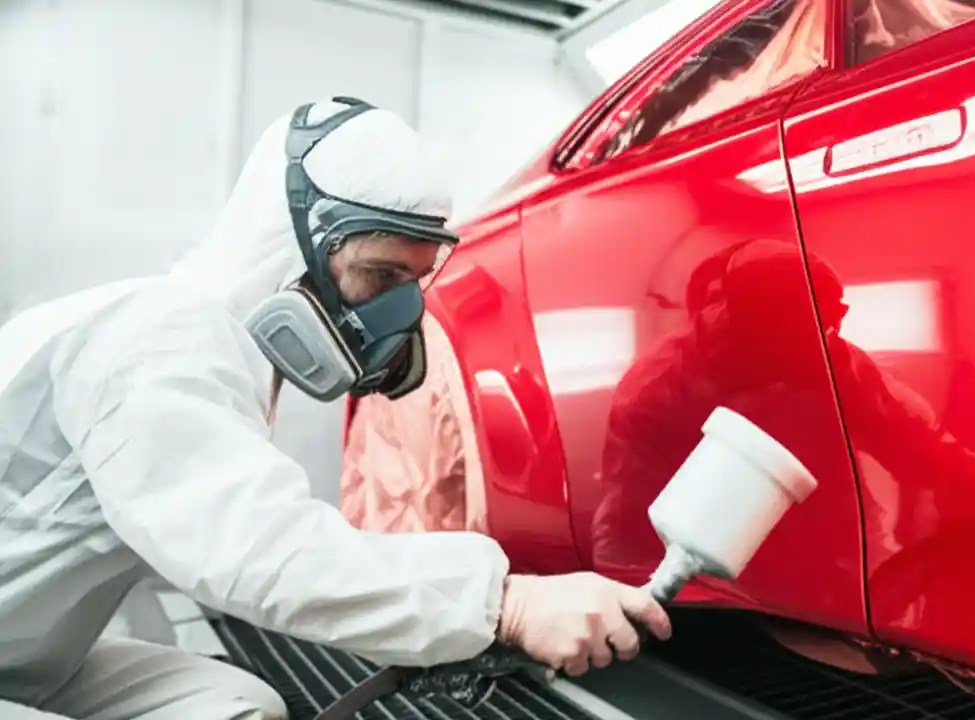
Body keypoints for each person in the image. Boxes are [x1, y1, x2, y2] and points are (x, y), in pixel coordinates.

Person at [0, 97, 670, 720]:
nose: (395, 315)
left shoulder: (212, 349)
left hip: (30, 655)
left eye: (410, 284)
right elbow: (257, 551)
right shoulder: (157, 337)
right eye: (380, 276)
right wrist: (508, 604)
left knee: (235, 705)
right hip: (17, 653)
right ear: (291, 249)